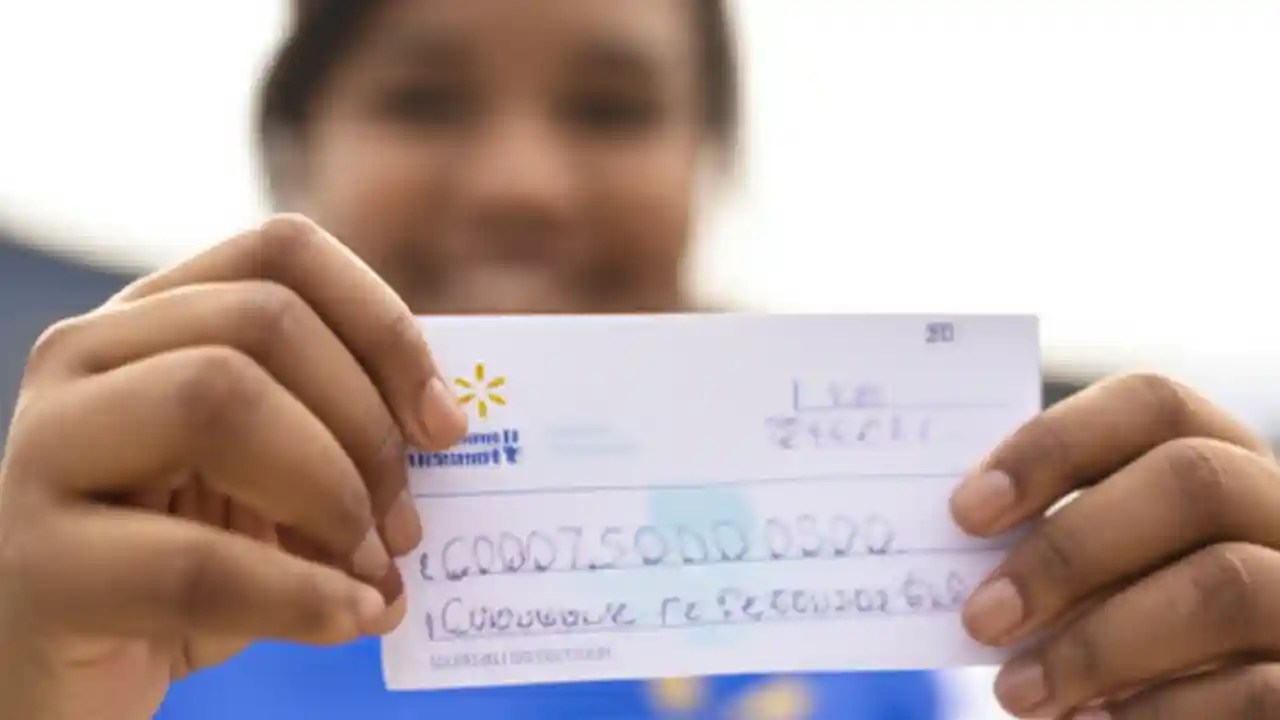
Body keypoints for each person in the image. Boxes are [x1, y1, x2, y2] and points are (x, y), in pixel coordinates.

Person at [1, 1, 1278, 719]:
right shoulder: (101, 605)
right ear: (293, 155)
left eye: (612, 110)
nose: (522, 187)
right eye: (423, 99)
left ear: (703, 168)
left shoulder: (943, 643)